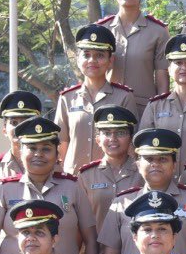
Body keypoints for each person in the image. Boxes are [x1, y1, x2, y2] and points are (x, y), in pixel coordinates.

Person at [0, 118, 98, 254]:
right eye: (32, 148)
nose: (38, 154)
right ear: (20, 152)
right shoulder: (5, 189)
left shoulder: (72, 187)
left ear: (57, 155)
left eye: (46, 149)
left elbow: (91, 240)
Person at [98, 128, 186, 254]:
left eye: (163, 159)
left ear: (174, 164)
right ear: (138, 165)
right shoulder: (121, 203)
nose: (155, 164)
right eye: (149, 159)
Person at [55, 23, 137, 173]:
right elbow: (62, 141)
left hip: (113, 178)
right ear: (78, 59)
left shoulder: (124, 97)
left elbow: (131, 143)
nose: (92, 60)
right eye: (86, 55)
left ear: (110, 60)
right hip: (74, 178)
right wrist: (61, 176)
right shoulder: (67, 98)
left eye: (99, 55)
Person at [99, 0, 170, 112]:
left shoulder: (158, 31)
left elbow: (162, 77)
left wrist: (162, 112)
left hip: (143, 111)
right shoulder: (101, 30)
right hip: (107, 108)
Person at [140, 33, 186, 169]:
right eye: (178, 63)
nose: (184, 68)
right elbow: (142, 148)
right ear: (168, 69)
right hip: (162, 182)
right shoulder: (155, 106)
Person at [77, 105, 143, 232]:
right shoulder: (86, 176)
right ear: (98, 140)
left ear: (131, 138)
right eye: (107, 133)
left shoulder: (142, 172)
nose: (113, 139)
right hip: (97, 249)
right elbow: (81, 222)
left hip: (134, 248)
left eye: (120, 133)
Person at [0, 91, 42, 200]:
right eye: (14, 123)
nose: (20, 128)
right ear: (4, 130)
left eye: (26, 121)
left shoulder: (52, 165)